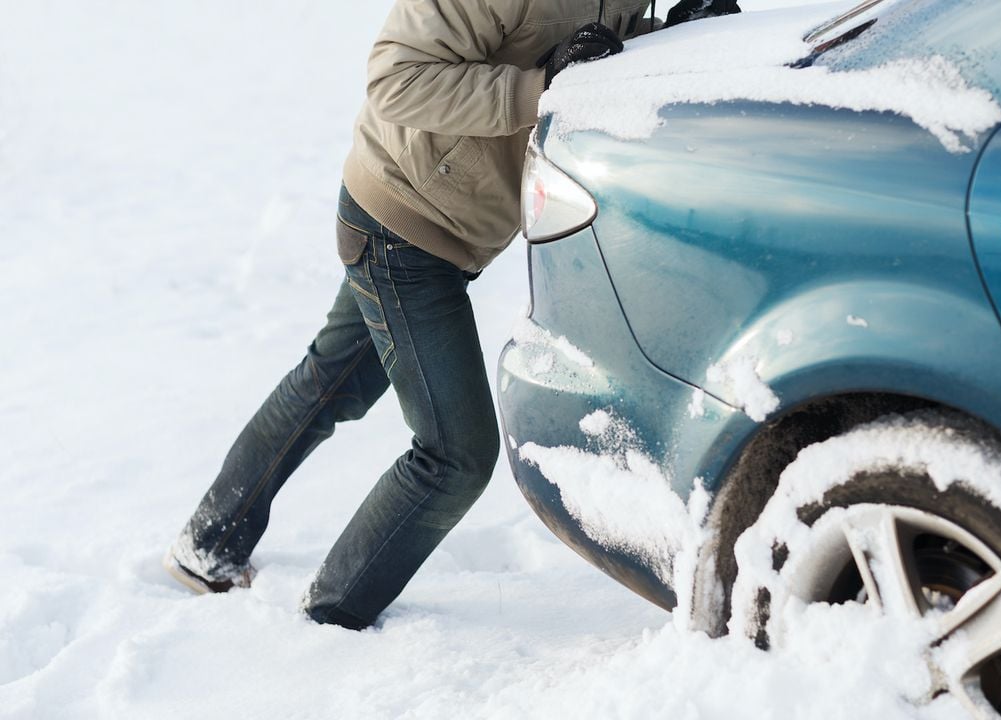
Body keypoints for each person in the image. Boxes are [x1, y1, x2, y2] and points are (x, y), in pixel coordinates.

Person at [164, 0, 736, 630]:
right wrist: (539, 88)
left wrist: (674, 36)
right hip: (402, 223)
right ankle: (332, 619)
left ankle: (208, 544)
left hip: (447, 225)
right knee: (455, 456)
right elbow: (396, 79)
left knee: (332, 381)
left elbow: (594, 46)